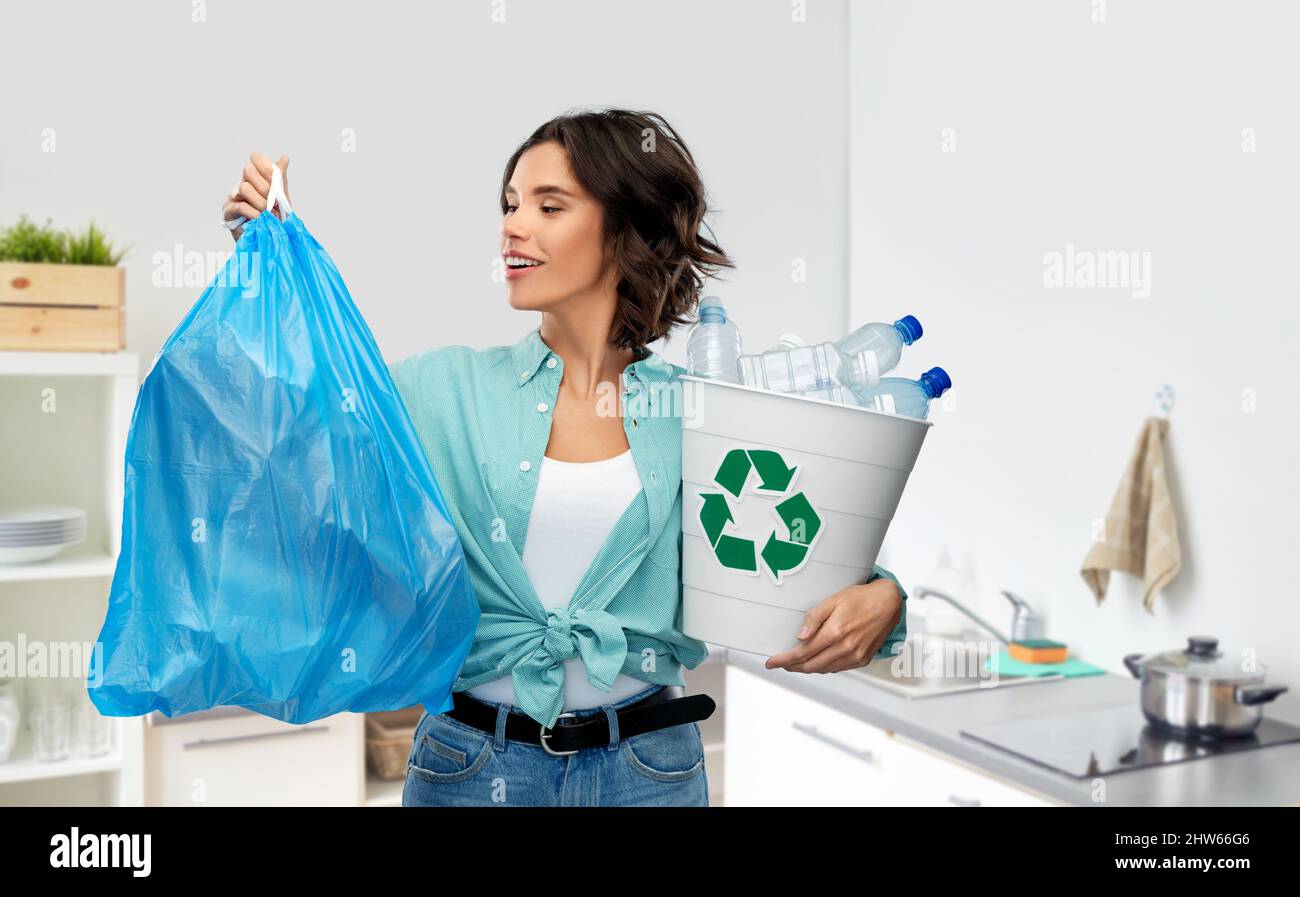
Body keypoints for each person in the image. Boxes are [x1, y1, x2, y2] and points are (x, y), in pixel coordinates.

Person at [221, 108, 907, 807]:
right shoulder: (441, 390)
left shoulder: (699, 410)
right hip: (470, 766)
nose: (513, 226)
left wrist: (886, 594)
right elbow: (301, 448)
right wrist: (268, 270)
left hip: (649, 772)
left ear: (622, 230)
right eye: (511, 205)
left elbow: (787, 539)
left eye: (549, 206)